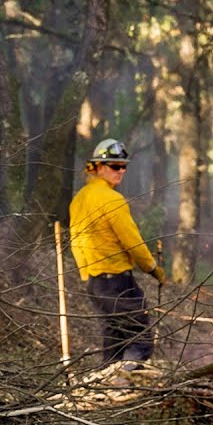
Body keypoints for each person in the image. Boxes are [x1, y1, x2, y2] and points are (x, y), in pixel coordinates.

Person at [69, 138, 167, 366]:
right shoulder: (112, 200)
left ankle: (108, 388)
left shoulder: (79, 199)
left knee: (114, 340)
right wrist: (152, 268)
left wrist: (87, 275)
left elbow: (76, 242)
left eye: (124, 166)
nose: (121, 171)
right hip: (118, 284)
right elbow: (132, 241)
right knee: (139, 338)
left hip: (96, 284)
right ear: (98, 167)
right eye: (115, 166)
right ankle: (125, 383)